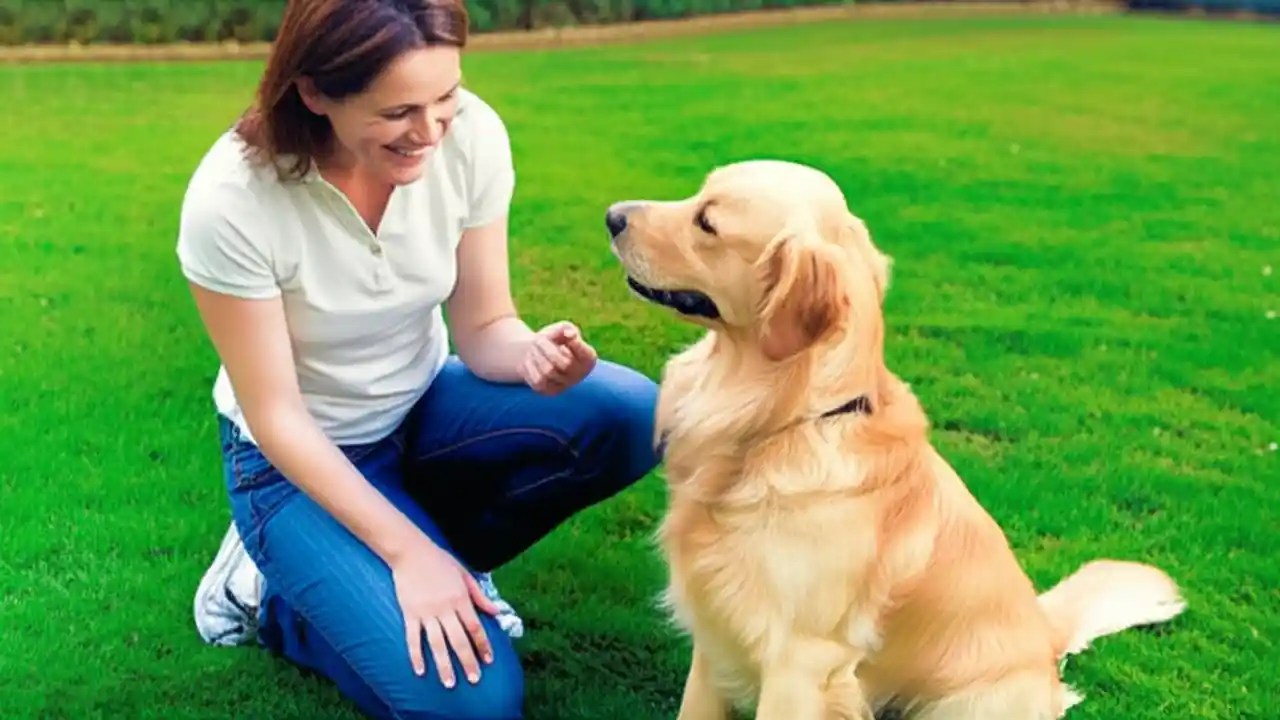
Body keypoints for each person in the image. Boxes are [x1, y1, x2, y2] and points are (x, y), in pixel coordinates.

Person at [177, 1, 660, 718]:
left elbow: (484, 326)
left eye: (446, 97)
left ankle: (444, 561)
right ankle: (265, 596)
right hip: (292, 467)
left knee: (630, 414)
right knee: (477, 706)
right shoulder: (233, 199)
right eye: (399, 111)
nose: (431, 131)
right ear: (314, 93)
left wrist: (531, 355)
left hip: (422, 408)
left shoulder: (470, 137)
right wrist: (410, 555)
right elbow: (276, 417)